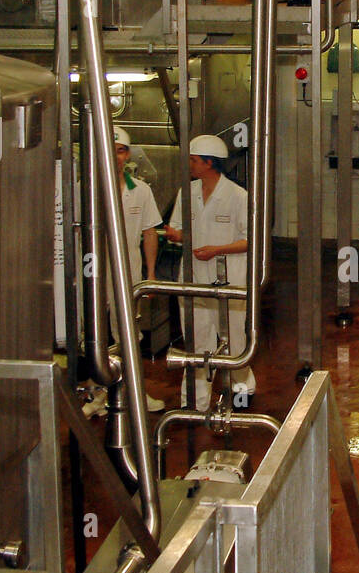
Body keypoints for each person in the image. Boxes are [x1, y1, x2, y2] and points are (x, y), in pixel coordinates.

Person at [164, 133, 256, 411]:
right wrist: (177, 236)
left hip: (230, 277)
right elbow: (176, 230)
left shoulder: (238, 196)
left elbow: (250, 240)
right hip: (193, 276)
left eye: (193, 160)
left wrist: (217, 249)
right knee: (197, 338)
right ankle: (195, 402)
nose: (190, 165)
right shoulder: (186, 192)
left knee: (234, 340)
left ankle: (243, 388)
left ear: (209, 163)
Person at [85, 126, 164, 416]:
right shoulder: (88, 188)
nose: (116, 156)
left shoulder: (140, 190)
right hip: (93, 268)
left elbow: (150, 232)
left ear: (127, 154)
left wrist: (151, 274)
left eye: (121, 150)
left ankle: (134, 392)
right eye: (111, 149)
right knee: (94, 333)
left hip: (128, 269)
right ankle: (96, 393)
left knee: (128, 333)